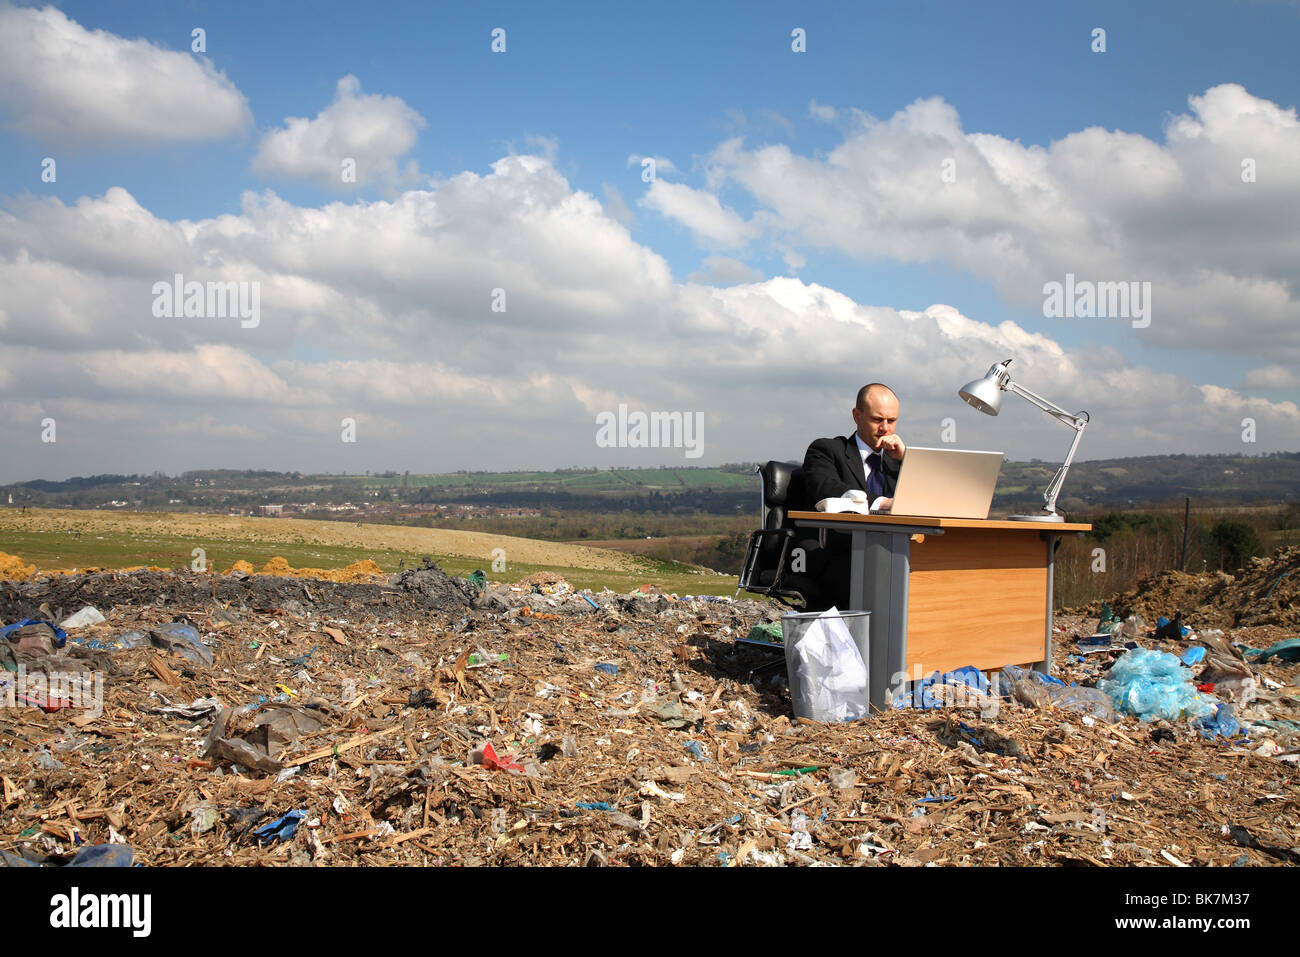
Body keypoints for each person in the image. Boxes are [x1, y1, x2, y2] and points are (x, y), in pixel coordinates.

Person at [798, 383, 907, 610]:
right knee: (876, 575)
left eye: (892, 420)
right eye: (878, 420)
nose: (885, 428)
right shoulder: (827, 450)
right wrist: (881, 502)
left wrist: (905, 460)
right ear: (857, 416)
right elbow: (826, 488)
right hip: (837, 549)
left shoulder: (897, 462)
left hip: (891, 550)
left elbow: (920, 498)